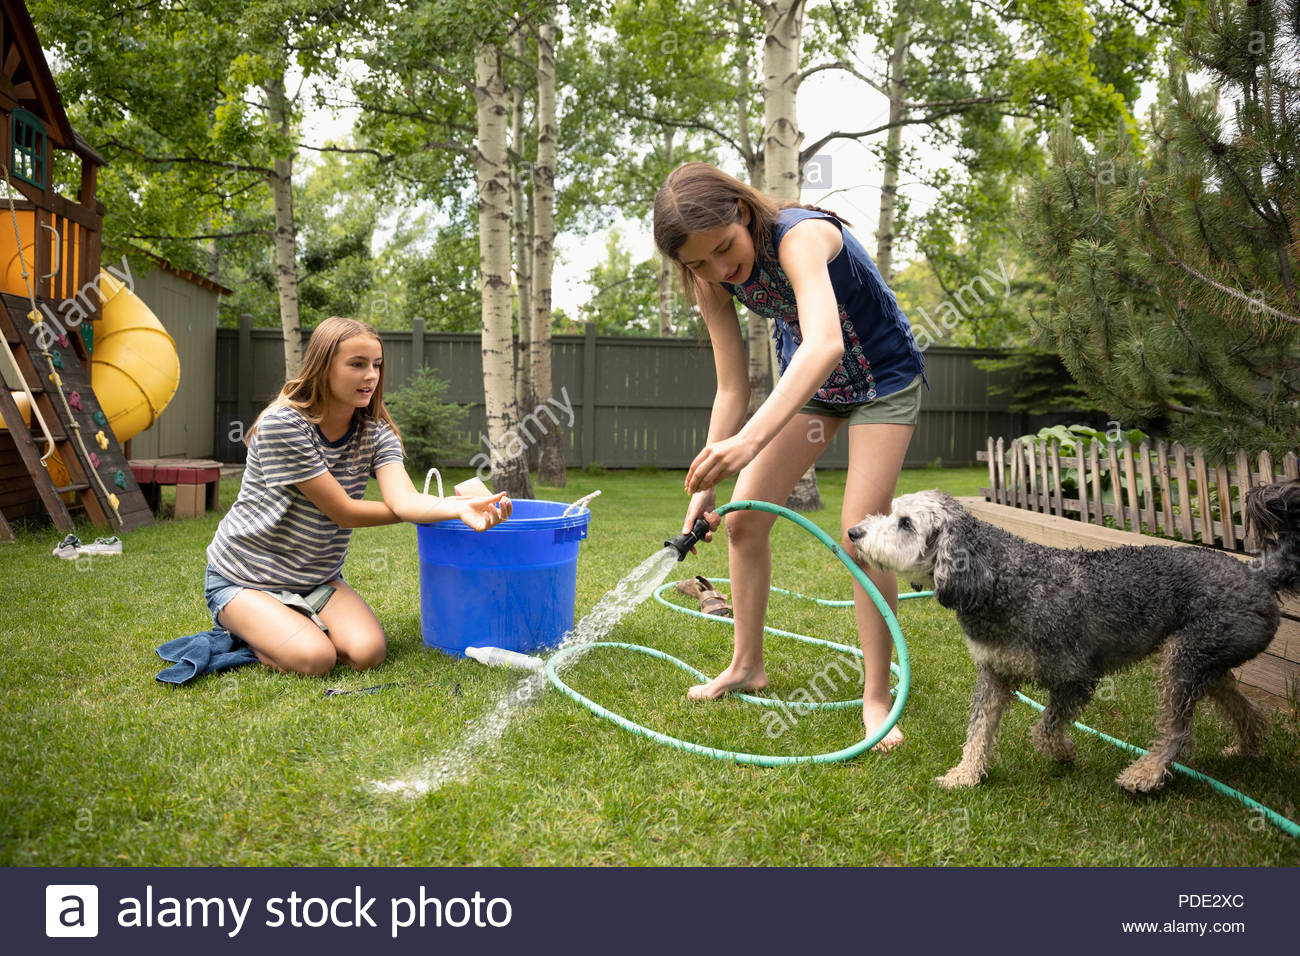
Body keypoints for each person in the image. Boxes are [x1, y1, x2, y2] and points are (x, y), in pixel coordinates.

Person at [654, 162, 926, 751]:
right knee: (744, 519)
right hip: (818, 390)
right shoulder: (710, 279)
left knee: (864, 532)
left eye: (725, 249)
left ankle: (877, 695)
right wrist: (706, 484)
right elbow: (731, 388)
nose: (720, 269)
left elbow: (826, 340)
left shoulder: (801, 234)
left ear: (743, 213)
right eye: (699, 263)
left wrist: (749, 441)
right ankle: (747, 664)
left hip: (884, 380)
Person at [204, 316, 511, 676]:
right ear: (323, 366)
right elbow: (344, 512)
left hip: (316, 580)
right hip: (245, 577)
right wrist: (440, 508)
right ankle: (252, 630)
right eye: (357, 364)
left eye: (377, 365)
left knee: (369, 653)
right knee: (316, 659)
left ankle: (290, 623)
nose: (371, 376)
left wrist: (457, 507)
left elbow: (403, 498)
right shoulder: (283, 425)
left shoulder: (377, 432)